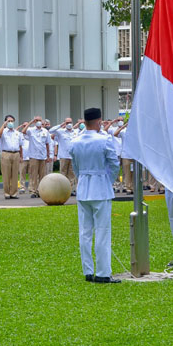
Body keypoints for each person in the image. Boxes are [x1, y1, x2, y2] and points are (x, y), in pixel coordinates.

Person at [70, 107, 121, 283]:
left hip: (83, 187)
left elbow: (75, 167)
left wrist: (83, 178)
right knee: (102, 231)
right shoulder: (104, 140)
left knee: (85, 232)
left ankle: (88, 270)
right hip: (100, 187)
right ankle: (103, 272)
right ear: (99, 121)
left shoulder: (75, 142)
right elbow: (114, 164)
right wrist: (108, 180)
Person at [21, 116, 51, 198]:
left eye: (39, 120)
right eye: (36, 120)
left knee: (42, 175)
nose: (38, 122)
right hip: (33, 156)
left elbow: (47, 144)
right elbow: (23, 131)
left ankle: (40, 191)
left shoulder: (45, 131)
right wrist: (30, 122)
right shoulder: (31, 130)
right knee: (33, 175)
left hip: (42, 156)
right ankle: (33, 191)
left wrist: (48, 155)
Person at [0, 115, 23, 200]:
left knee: (15, 174)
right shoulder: (3, 131)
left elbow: (20, 145)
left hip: (16, 154)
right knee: (6, 174)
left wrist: (21, 156)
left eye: (12, 121)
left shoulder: (17, 133)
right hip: (6, 153)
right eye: (8, 121)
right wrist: (4, 125)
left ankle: (13, 193)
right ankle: (6, 193)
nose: (10, 123)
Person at [50, 117, 80, 195]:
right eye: (67, 122)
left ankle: (71, 190)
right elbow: (51, 130)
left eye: (70, 122)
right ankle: (63, 189)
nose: (69, 124)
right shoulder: (61, 131)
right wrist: (61, 125)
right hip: (63, 156)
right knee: (63, 173)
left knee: (72, 174)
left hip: (72, 156)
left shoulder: (75, 131)